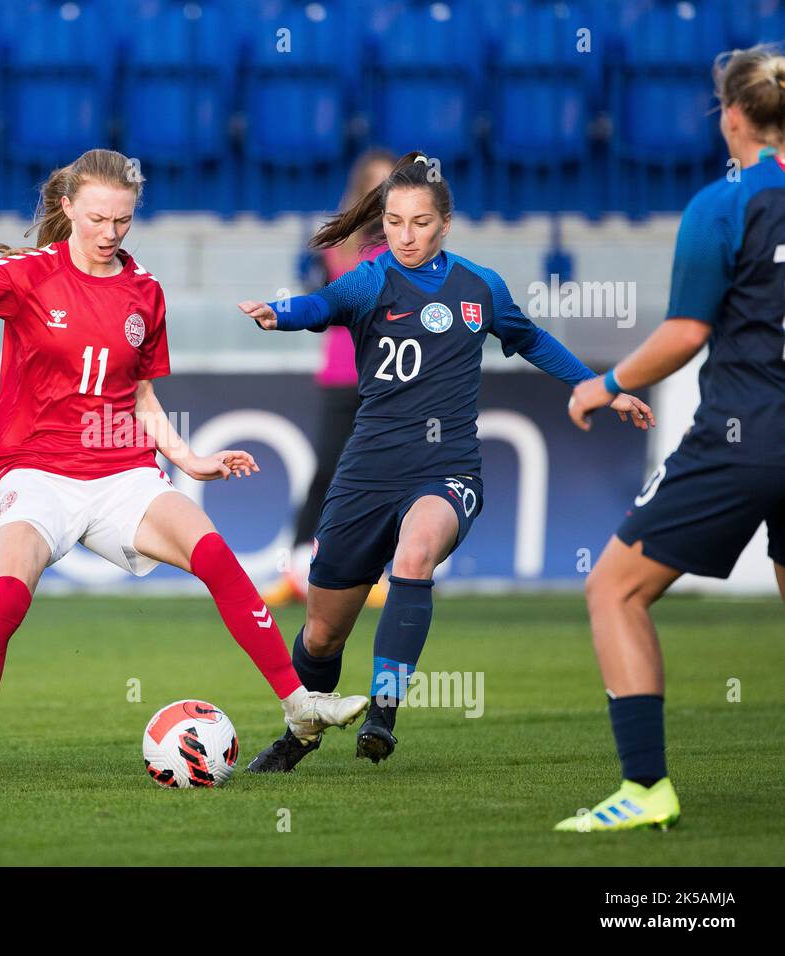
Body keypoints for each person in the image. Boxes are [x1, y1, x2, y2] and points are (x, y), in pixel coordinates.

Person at [0, 148, 369, 788]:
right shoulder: (24, 274)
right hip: (36, 474)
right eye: (98, 218)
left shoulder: (144, 291)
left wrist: (187, 459)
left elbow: (143, 398)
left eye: (123, 220)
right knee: (5, 598)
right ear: (68, 208)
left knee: (213, 555)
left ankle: (300, 704)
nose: (110, 233)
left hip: (123, 472)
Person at [238, 150, 654, 773]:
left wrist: (598, 386)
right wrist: (281, 314)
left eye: (421, 222)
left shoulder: (479, 286)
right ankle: (300, 733)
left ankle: (383, 712)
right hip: (368, 471)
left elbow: (532, 338)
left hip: (447, 467)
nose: (407, 235)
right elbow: (319, 305)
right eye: (396, 221)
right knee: (323, 634)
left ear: (445, 224)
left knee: (415, 554)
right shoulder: (372, 278)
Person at [556, 44, 785, 832]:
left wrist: (606, 382)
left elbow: (686, 333)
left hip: (745, 435)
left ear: (731, 117)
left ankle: (646, 788)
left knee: (614, 588)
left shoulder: (722, 206)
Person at [265, 148, 395, 610]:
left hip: (389, 376)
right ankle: (297, 570)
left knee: (380, 476)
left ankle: (374, 573)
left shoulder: (410, 247)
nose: (381, 193)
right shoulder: (340, 243)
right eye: (374, 184)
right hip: (343, 372)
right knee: (326, 470)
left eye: (390, 183)